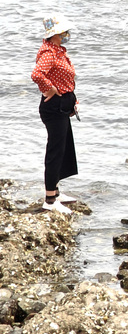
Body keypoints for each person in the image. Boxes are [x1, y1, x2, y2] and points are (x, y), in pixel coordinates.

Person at [31, 15, 80, 215]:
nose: (68, 35)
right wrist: (49, 89)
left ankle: (57, 192)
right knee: (55, 151)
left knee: (64, 148)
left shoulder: (58, 51)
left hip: (63, 105)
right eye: (65, 32)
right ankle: (50, 200)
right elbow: (36, 74)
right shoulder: (49, 52)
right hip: (54, 108)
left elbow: (65, 78)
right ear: (57, 34)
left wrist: (72, 101)